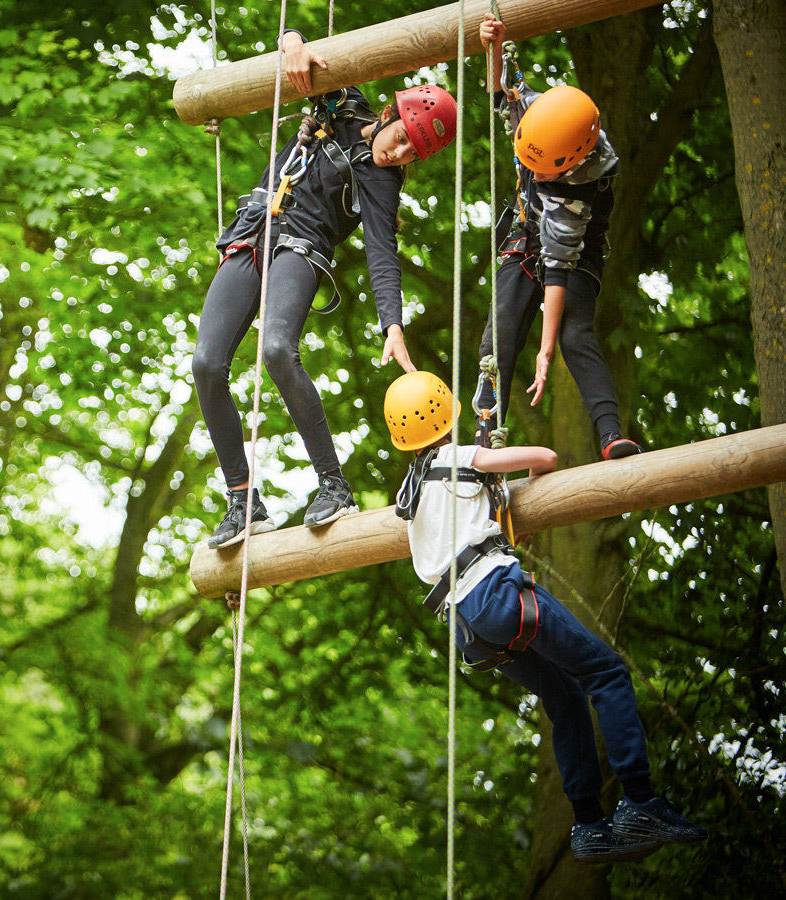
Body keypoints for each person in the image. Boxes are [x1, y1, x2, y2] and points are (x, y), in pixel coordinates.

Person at [385, 371, 707, 864]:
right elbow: (546, 458)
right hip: (496, 597)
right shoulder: (456, 458)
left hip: (467, 628)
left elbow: (457, 537)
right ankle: (641, 801)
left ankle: (589, 824)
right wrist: (522, 480)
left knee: (565, 695)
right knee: (606, 671)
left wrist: (501, 517)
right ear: (446, 413)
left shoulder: (411, 493)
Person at [194, 28, 458, 549]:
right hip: (252, 234)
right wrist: (292, 40)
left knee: (275, 350)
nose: (398, 153)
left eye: (411, 154)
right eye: (401, 136)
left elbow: (384, 256)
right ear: (389, 115)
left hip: (300, 248)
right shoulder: (344, 105)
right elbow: (307, 59)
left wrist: (393, 325)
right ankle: (243, 499)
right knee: (206, 364)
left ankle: (333, 485)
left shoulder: (381, 183)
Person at [474, 14, 641, 461]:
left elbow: (559, 266)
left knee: (574, 335)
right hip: (524, 237)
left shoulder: (577, 188)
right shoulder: (541, 115)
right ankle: (483, 440)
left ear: (569, 163)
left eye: (542, 167)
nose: (533, 171)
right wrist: (495, 47)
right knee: (498, 339)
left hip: (575, 253)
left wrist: (545, 353)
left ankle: (610, 435)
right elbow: (503, 94)